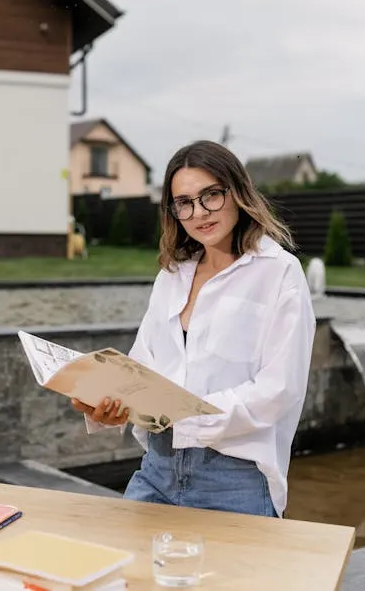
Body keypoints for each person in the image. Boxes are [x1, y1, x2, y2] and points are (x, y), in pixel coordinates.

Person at [72, 140, 315, 519]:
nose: (198, 212)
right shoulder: (172, 275)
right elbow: (142, 367)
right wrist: (108, 404)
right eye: (184, 202)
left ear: (237, 192)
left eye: (210, 196)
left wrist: (187, 416)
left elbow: (279, 389)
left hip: (234, 479)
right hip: (157, 470)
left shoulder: (279, 273)